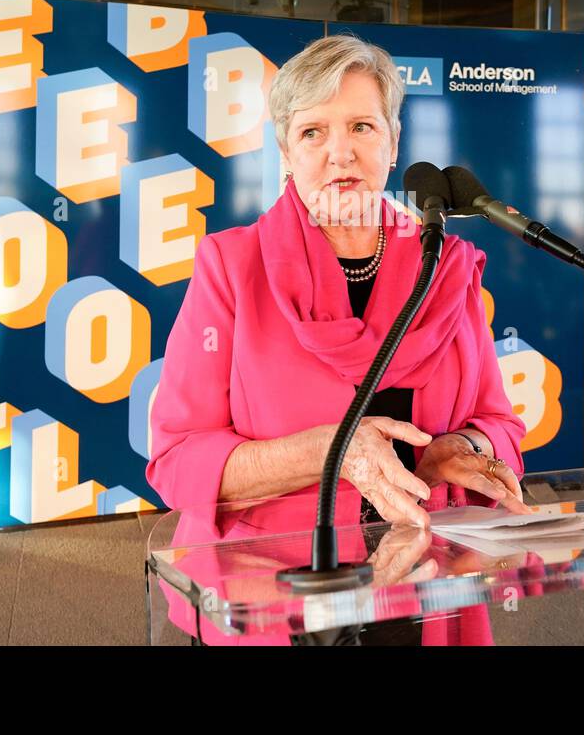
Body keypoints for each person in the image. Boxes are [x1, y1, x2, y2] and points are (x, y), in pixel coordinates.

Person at [145, 33, 527, 531]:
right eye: (312, 132)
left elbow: (499, 426)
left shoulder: (444, 265)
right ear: (286, 152)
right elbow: (178, 461)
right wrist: (332, 451)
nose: (340, 153)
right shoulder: (232, 266)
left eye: (361, 127)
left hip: (428, 567)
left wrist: (459, 448)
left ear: (392, 143)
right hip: (279, 580)